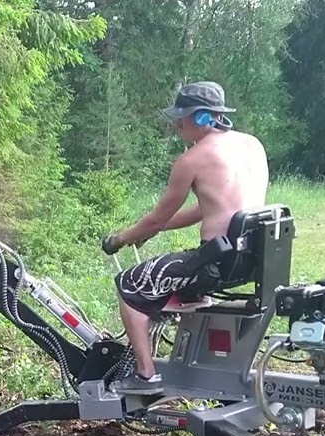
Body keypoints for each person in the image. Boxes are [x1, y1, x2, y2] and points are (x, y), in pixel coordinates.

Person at [101, 81, 270, 393]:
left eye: (182, 117)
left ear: (205, 117)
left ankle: (145, 375)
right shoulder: (252, 145)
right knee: (169, 273)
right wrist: (155, 230)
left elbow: (157, 216)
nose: (176, 124)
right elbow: (209, 208)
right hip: (252, 258)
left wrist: (122, 238)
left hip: (216, 264)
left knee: (129, 284)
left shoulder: (191, 160)